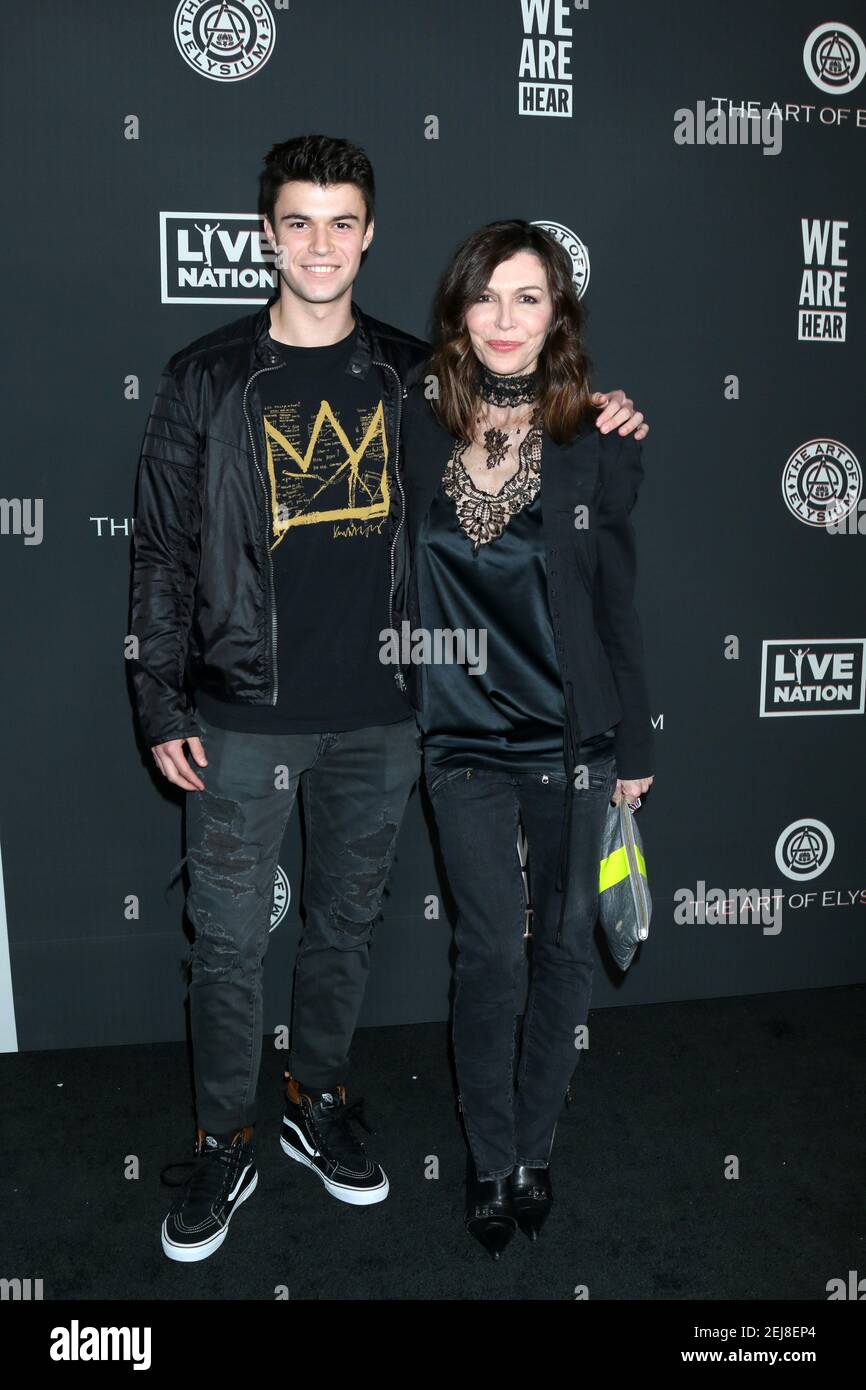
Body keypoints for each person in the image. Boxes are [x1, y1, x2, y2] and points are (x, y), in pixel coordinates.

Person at [129, 133, 649, 1263]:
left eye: (342, 221)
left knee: (344, 928)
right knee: (224, 947)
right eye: (298, 222)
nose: (321, 244)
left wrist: (602, 412)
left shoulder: (415, 381)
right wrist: (160, 700)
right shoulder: (203, 376)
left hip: (386, 716)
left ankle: (315, 1098)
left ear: (368, 234)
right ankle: (226, 1135)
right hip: (237, 712)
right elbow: (163, 552)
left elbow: (527, 414)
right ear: (266, 234)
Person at [400, 219, 655, 1258]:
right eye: (486, 297)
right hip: (459, 738)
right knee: (486, 958)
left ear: (557, 317)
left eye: (528, 298)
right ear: (458, 310)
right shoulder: (412, 420)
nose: (504, 319)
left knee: (560, 951)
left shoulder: (598, 439)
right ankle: (486, 1153)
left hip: (568, 742)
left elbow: (614, 603)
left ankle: (532, 1148)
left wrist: (632, 747)